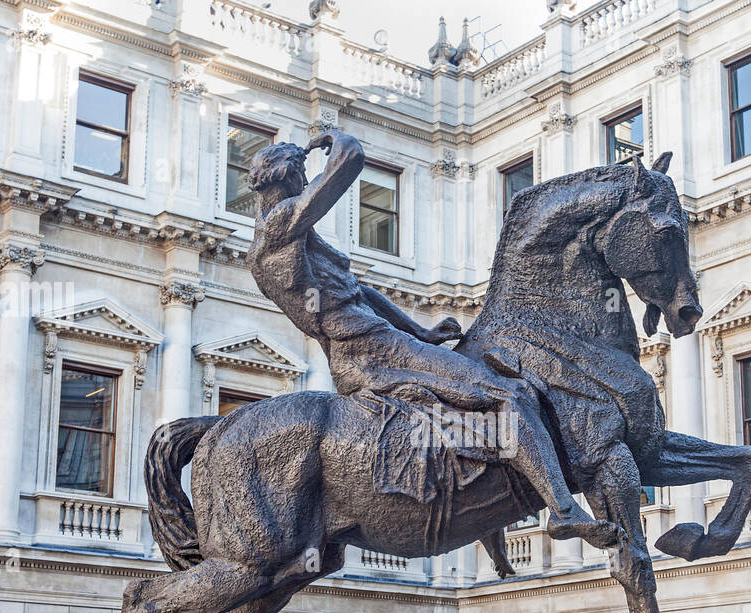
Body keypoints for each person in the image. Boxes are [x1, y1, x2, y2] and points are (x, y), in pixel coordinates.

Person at [246, 131, 619, 549]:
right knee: (509, 394)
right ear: (287, 179)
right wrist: (329, 139)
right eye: (300, 178)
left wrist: (419, 332)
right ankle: (564, 511)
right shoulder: (278, 227)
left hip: (377, 346)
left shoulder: (293, 237)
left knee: (466, 398)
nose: (304, 186)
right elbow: (351, 157)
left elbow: (360, 294)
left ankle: (488, 511)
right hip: (371, 355)